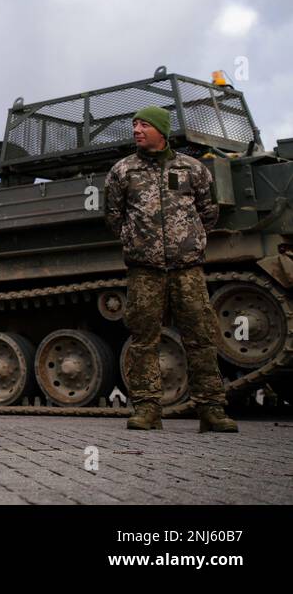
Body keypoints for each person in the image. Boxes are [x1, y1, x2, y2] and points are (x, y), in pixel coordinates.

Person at [104, 106, 238, 433]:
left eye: (144, 124)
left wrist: (187, 241)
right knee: (143, 339)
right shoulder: (123, 171)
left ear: (161, 130)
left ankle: (211, 410)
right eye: (134, 124)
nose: (137, 130)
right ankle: (148, 409)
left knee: (201, 337)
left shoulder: (191, 168)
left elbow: (208, 212)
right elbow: (113, 216)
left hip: (187, 268)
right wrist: (137, 241)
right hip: (144, 270)